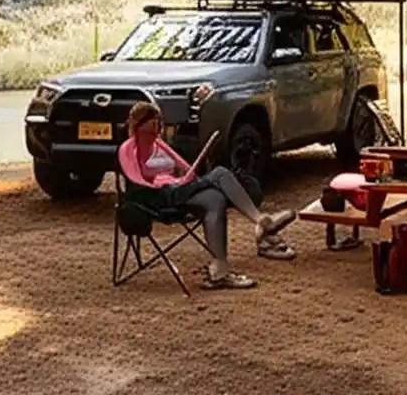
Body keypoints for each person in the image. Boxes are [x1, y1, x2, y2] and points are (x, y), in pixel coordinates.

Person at [118, 102, 296, 290]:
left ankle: (220, 271)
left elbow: (188, 172)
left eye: (159, 122)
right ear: (139, 124)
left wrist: (183, 178)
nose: (158, 127)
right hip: (156, 197)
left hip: (178, 192)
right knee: (220, 173)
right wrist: (170, 183)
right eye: (153, 122)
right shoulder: (129, 148)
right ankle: (261, 221)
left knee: (214, 199)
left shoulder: (160, 146)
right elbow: (135, 179)